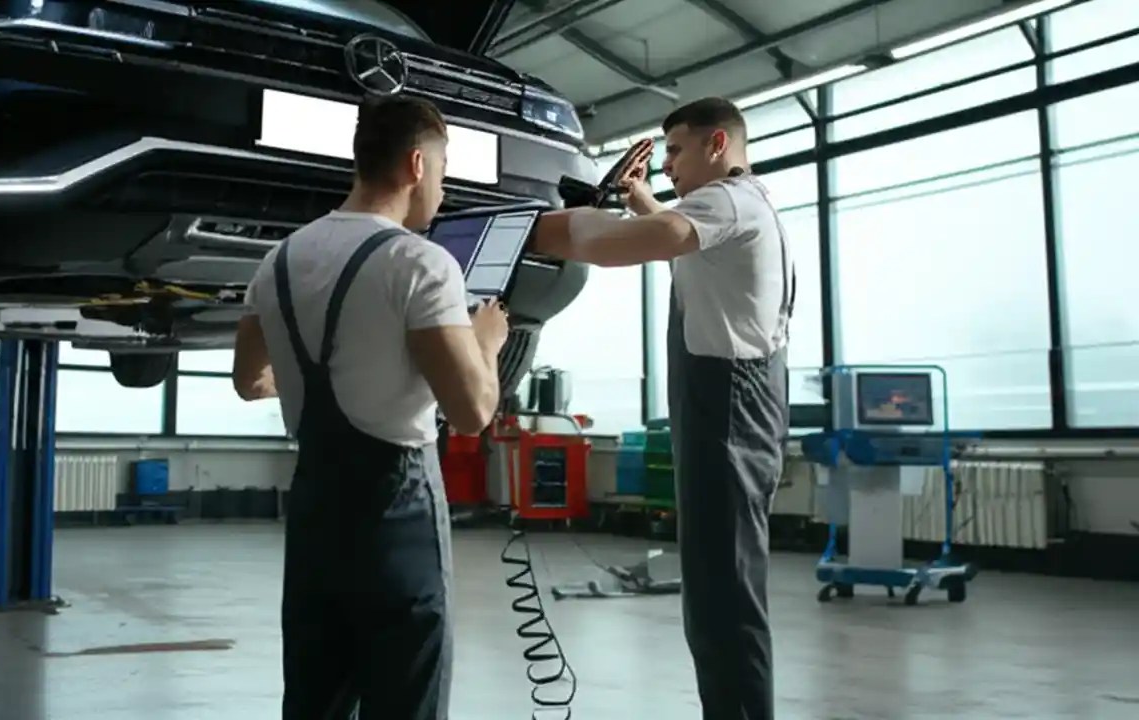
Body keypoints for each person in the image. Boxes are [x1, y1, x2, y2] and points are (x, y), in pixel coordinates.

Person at [231, 94, 510, 719]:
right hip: (397, 517)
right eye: (442, 170)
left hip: (314, 515)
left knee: (315, 699)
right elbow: (470, 412)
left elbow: (250, 380)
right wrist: (485, 343)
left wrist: (322, 379)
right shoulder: (421, 264)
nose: (441, 188)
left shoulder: (278, 261)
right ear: (416, 165)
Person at [531, 96, 793, 719]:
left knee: (723, 599)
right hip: (738, 406)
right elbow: (680, 235)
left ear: (718, 145)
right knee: (719, 590)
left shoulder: (727, 201)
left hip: (729, 411)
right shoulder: (743, 206)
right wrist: (641, 201)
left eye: (676, 150)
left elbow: (638, 243)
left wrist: (545, 225)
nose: (668, 165)